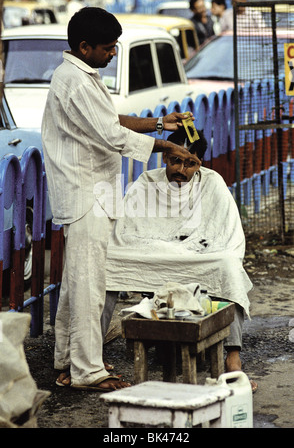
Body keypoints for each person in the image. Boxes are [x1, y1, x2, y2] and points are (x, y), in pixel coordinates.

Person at [41, 7, 199, 391]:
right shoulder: (74, 82)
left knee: (79, 284)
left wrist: (163, 123)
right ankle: (86, 371)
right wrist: (166, 146)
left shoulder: (82, 76)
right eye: (109, 48)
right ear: (84, 46)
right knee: (88, 287)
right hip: (84, 196)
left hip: (94, 194)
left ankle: (68, 360)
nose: (113, 53)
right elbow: (112, 136)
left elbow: (112, 120)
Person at [105, 127, 257, 392]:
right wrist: (164, 247)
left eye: (190, 163)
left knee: (229, 267)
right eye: (176, 160)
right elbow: (125, 231)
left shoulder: (212, 182)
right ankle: (93, 353)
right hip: (154, 257)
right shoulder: (146, 182)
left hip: (198, 257)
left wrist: (190, 249)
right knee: (109, 263)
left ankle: (233, 356)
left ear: (200, 163)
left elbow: (227, 235)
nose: (181, 169)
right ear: (165, 157)